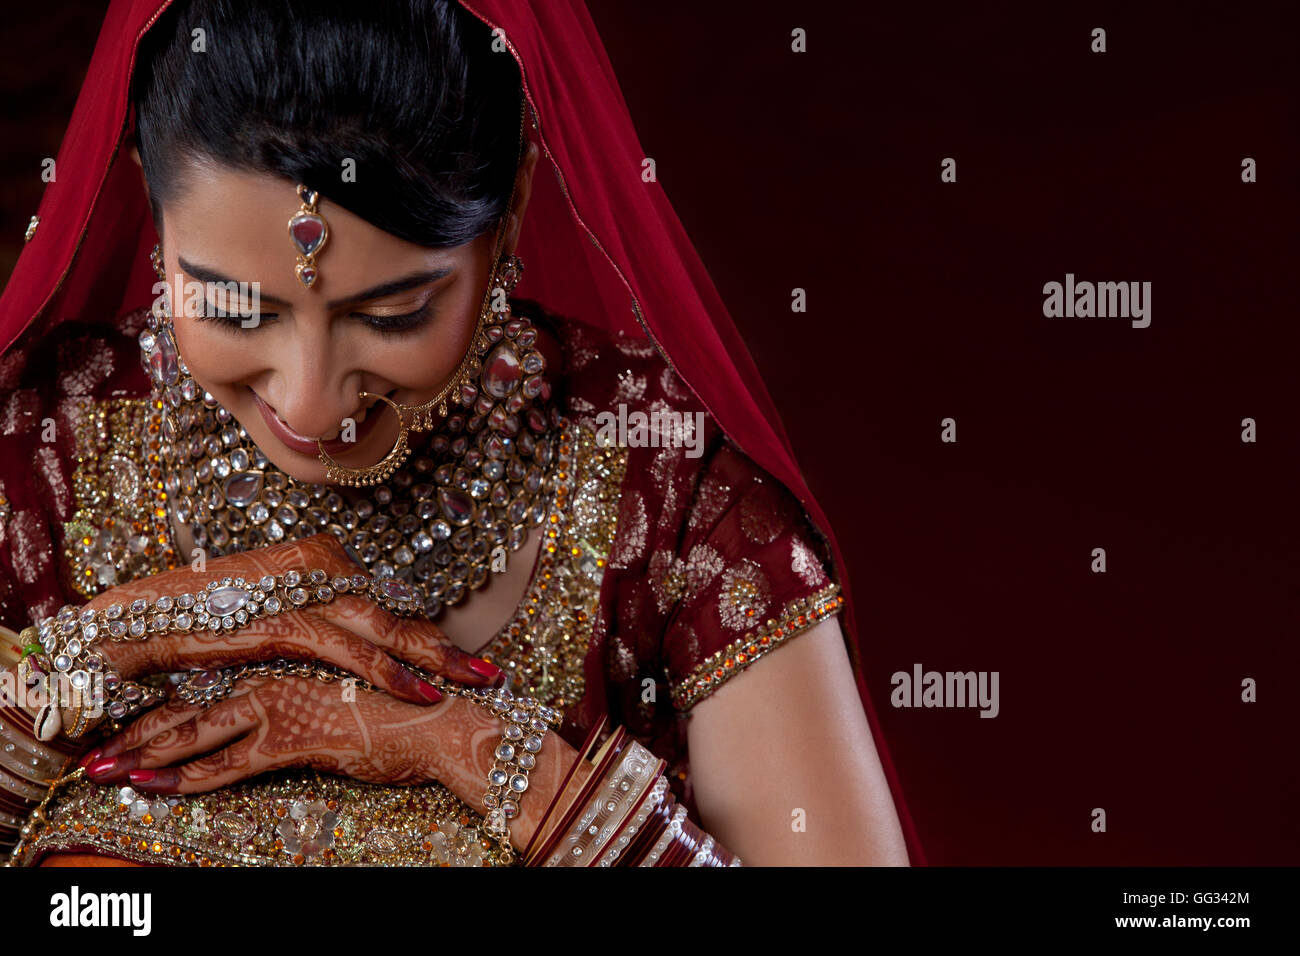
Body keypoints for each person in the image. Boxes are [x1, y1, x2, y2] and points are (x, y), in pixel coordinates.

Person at [0, 0, 922, 867]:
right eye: (236, 309)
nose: (313, 403)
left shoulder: (664, 477)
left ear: (514, 202)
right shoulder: (42, 448)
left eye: (395, 312)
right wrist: (78, 663)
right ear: (150, 208)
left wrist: (476, 750)